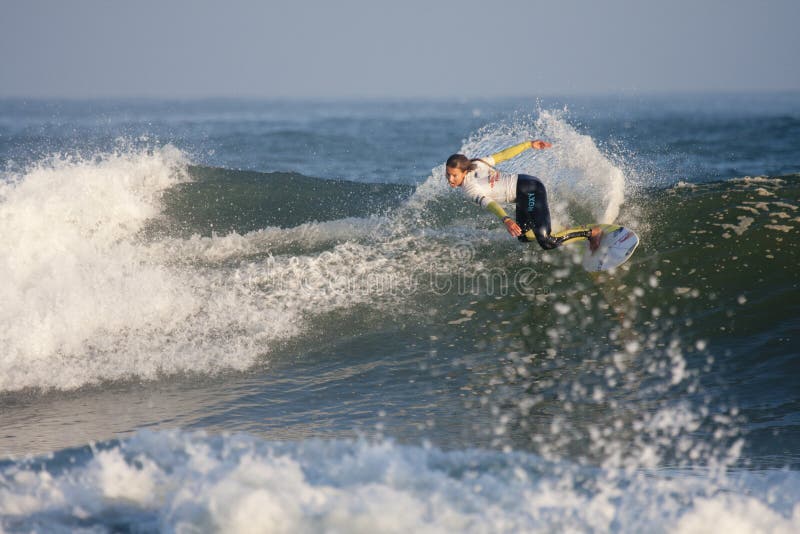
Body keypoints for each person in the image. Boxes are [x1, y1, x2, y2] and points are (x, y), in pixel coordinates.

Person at [445, 140, 602, 251]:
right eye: (448, 174)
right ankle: (561, 230)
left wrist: (506, 219)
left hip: (530, 190)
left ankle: (592, 233)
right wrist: (528, 144)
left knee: (547, 243)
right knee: (524, 235)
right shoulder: (476, 163)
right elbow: (503, 155)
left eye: (454, 175)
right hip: (522, 189)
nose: (450, 179)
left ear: (464, 172)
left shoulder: (469, 188)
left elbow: (490, 203)